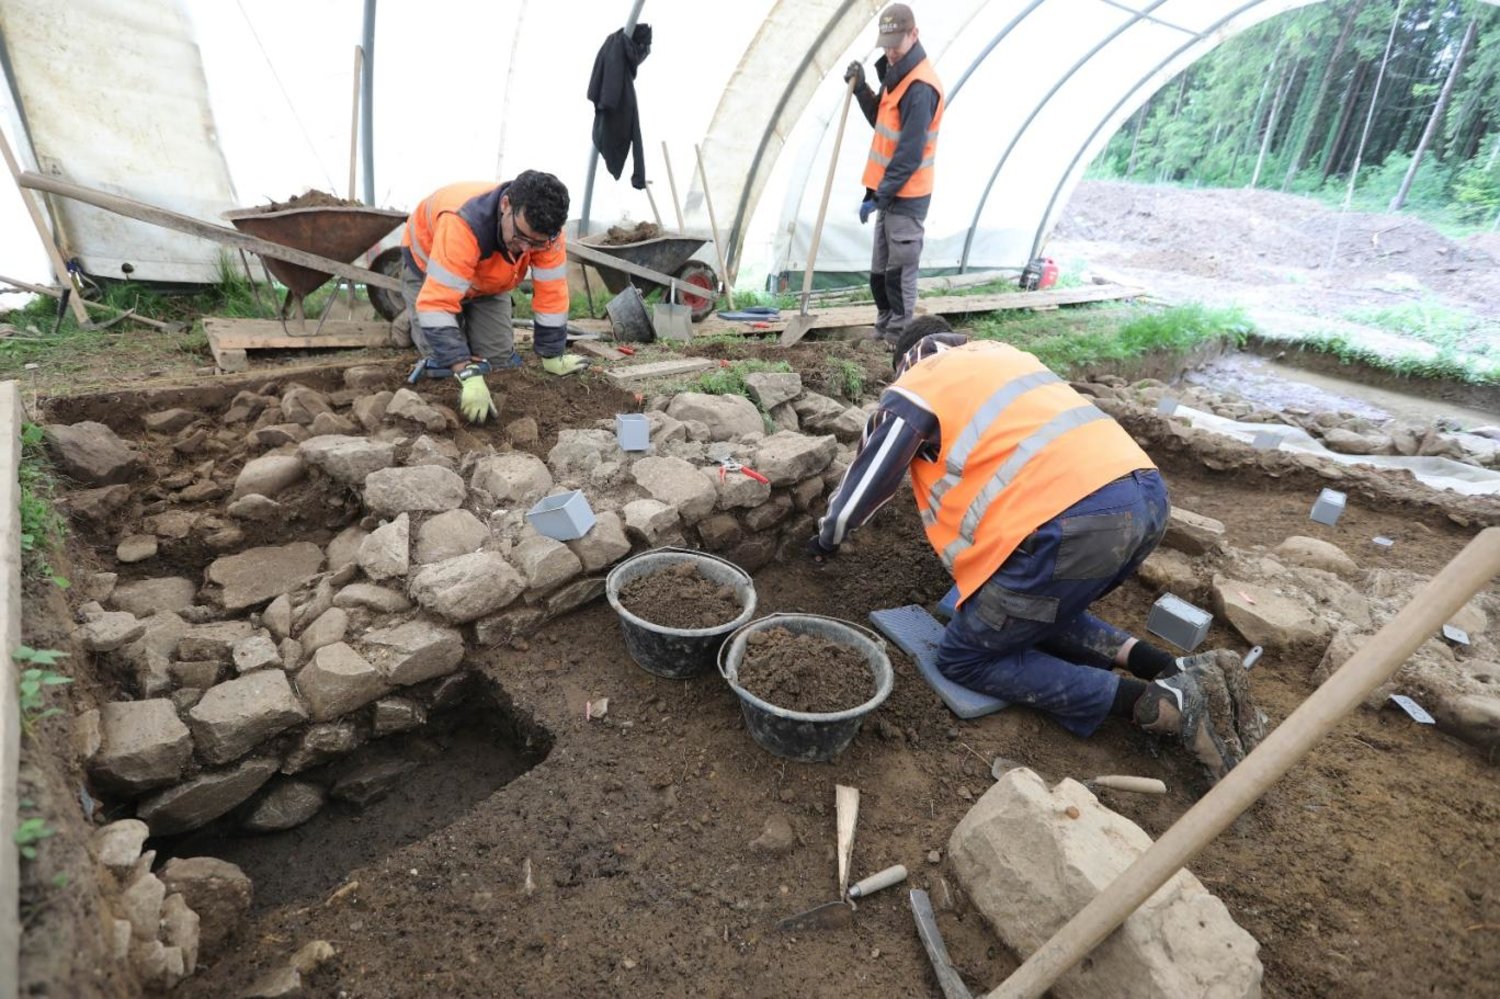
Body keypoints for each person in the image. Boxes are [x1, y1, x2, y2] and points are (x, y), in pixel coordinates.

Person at [808, 316, 1261, 781]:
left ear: (905, 361)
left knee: (965, 656)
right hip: (1145, 498)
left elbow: (863, 483)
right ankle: (1176, 667)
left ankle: (1165, 705)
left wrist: (827, 537)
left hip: (1072, 522)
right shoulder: (1004, 358)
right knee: (1038, 607)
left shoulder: (919, 382)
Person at [401, 171, 590, 424]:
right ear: (505, 206)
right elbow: (437, 304)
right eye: (521, 237)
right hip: (431, 271)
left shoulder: (548, 234)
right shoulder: (463, 222)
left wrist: (552, 354)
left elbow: (552, 296)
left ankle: (455, 323)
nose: (526, 249)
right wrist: (465, 370)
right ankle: (412, 316)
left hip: (490, 282)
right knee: (443, 363)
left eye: (536, 245)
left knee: (498, 363)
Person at [843, 4, 944, 346]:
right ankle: (883, 329)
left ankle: (897, 339)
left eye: (895, 44)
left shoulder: (920, 87)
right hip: (887, 192)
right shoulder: (896, 72)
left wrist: (881, 196)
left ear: (913, 34)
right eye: (885, 44)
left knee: (899, 274)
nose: (889, 50)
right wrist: (862, 89)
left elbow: (909, 153)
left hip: (907, 194)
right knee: (879, 274)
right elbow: (882, 121)